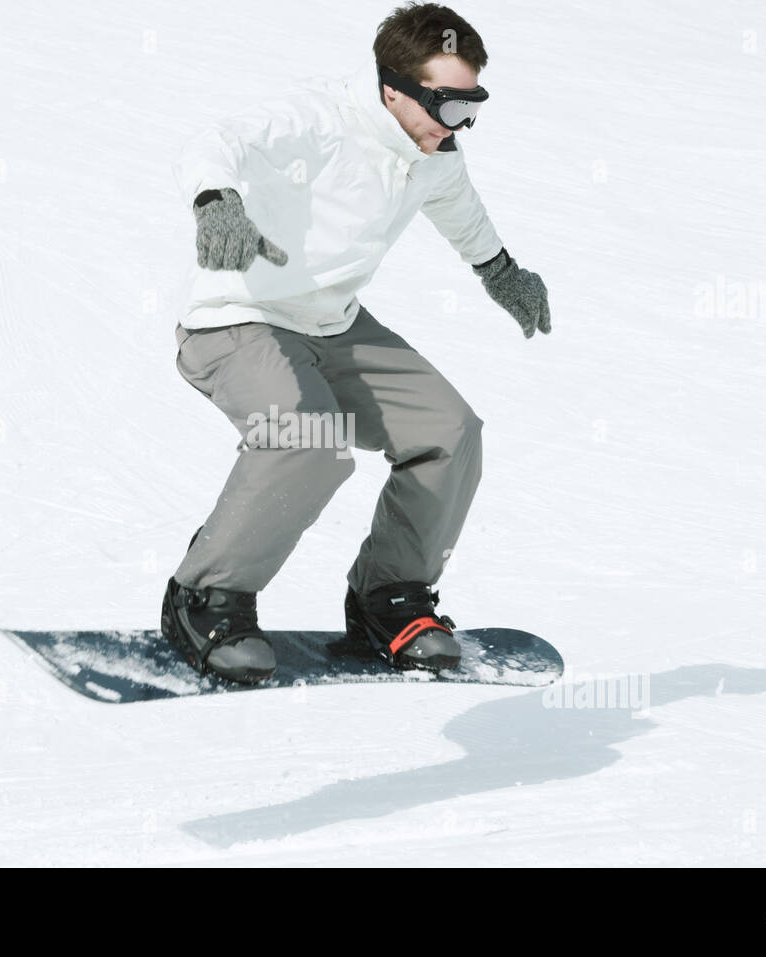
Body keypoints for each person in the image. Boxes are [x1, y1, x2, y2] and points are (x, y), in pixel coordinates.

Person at [162, 2, 551, 684]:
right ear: (393, 87)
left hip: (334, 325)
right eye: (449, 104)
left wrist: (500, 271)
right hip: (238, 317)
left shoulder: (432, 152)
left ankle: (389, 597)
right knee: (309, 440)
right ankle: (207, 596)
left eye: (472, 106)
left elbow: (460, 210)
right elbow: (214, 141)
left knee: (449, 432)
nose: (459, 123)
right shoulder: (318, 118)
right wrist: (216, 201)